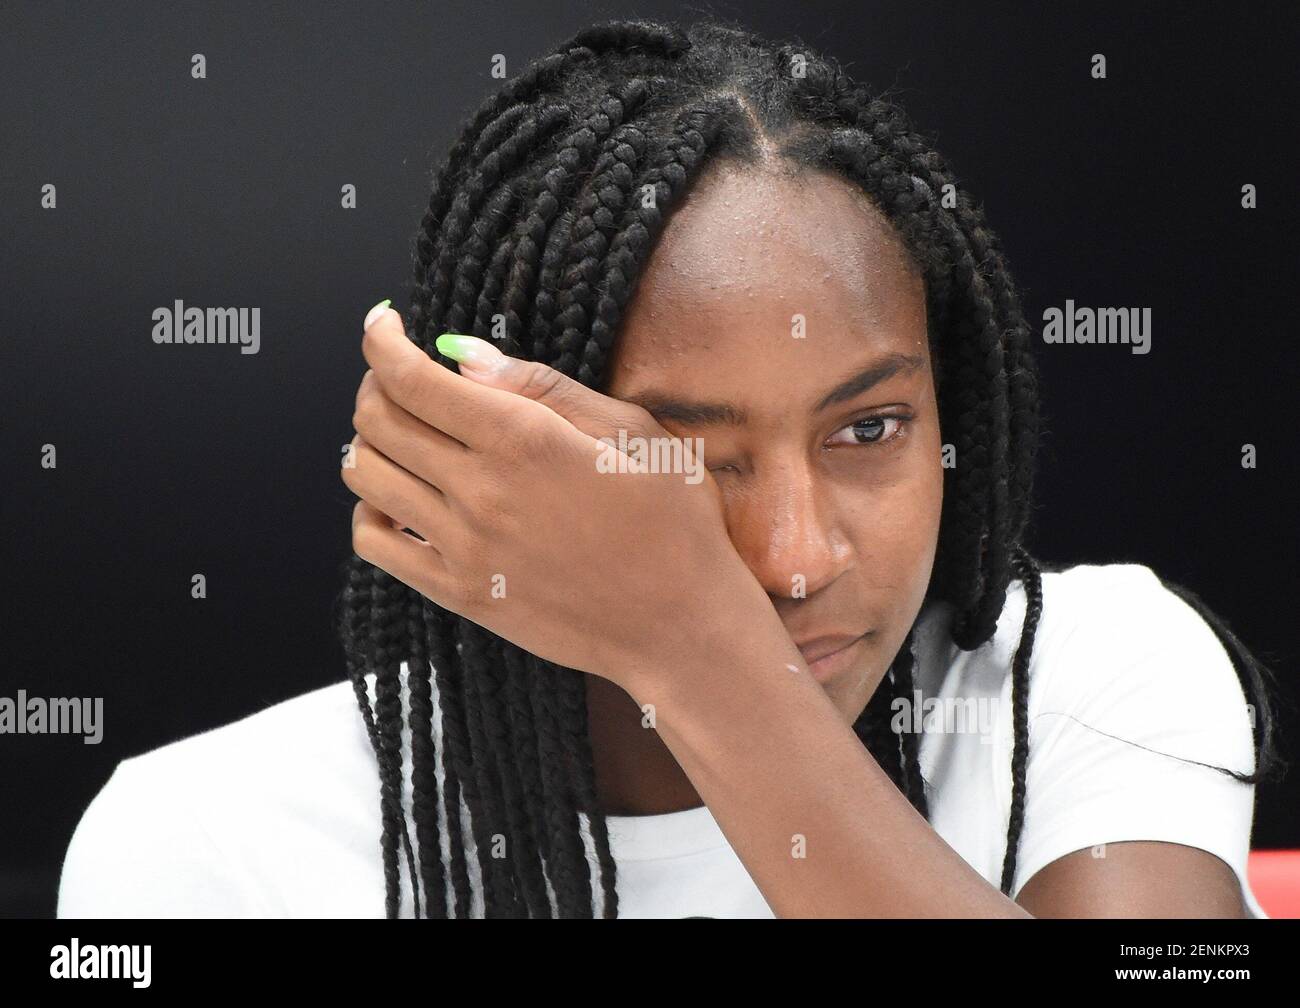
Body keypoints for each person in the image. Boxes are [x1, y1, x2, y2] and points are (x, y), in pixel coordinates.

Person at [57, 16, 1280, 919]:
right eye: (685, 455)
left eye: (868, 429)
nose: (799, 558)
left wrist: (693, 647)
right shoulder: (200, 842)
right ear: (486, 446)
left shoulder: (1087, 672)